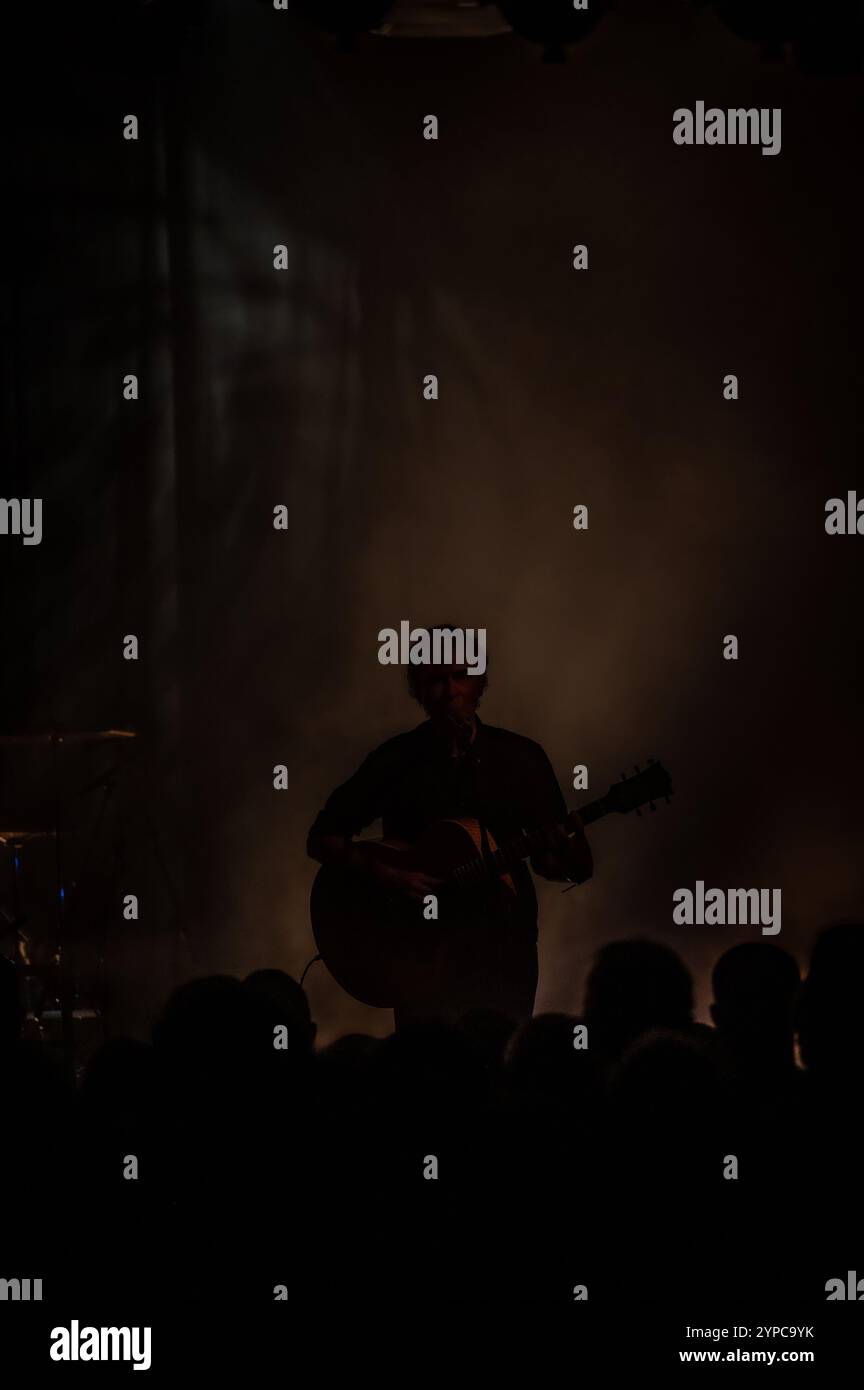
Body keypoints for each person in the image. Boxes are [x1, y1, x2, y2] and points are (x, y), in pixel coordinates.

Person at [307, 633, 592, 1028]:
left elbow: (553, 863)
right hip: (418, 954)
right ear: (418, 689)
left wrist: (567, 851)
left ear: (481, 683)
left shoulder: (521, 758)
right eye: (437, 680)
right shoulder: (395, 760)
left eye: (462, 676)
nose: (451, 691)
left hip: (503, 950)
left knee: (500, 1060)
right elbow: (322, 838)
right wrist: (389, 874)